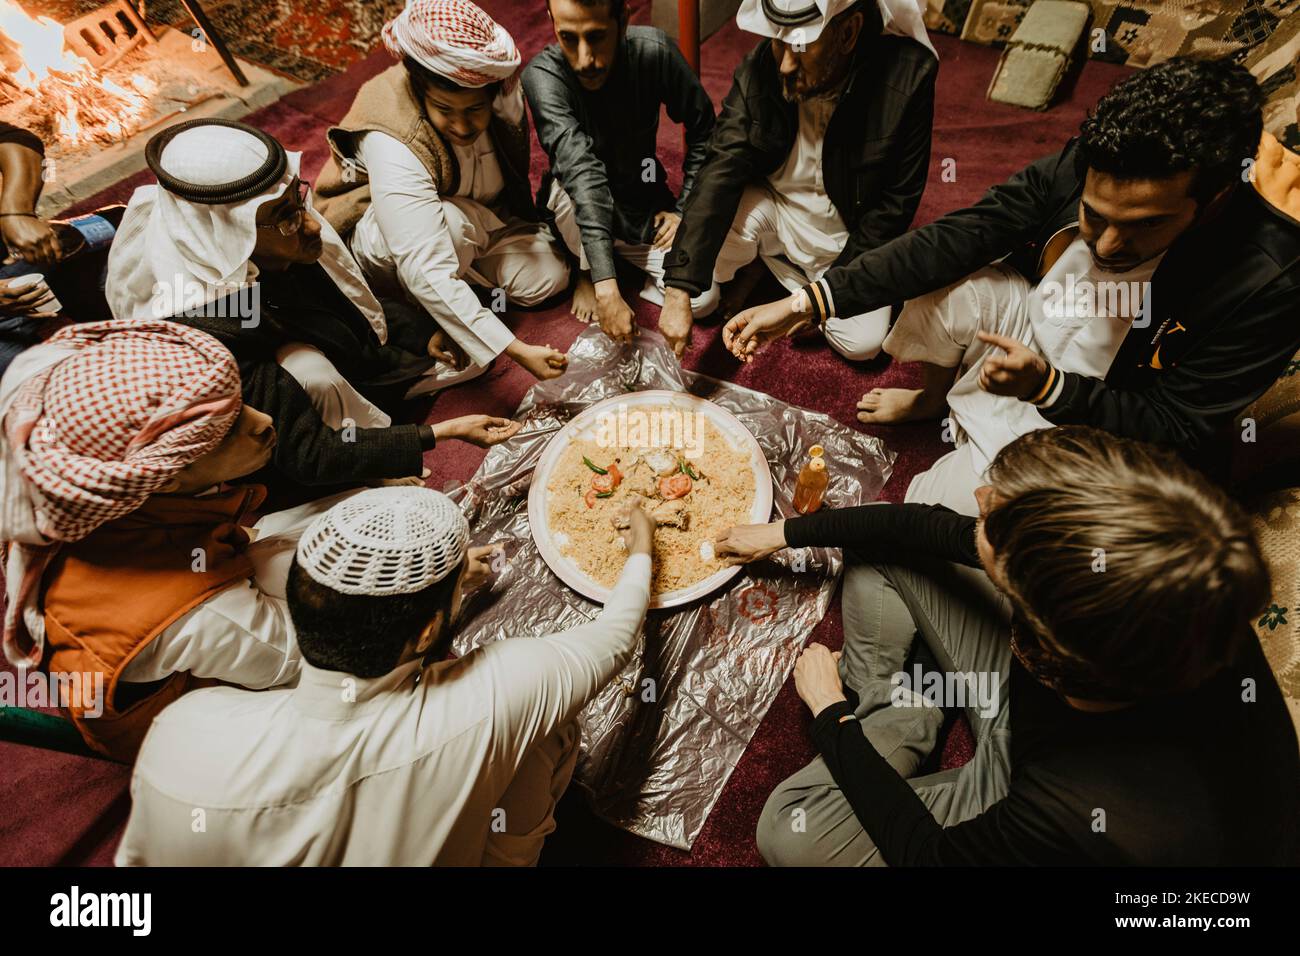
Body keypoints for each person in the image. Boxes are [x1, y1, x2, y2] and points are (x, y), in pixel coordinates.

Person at [725, 58, 1300, 514]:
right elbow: (963, 234)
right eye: (1095, 215)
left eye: (1146, 224)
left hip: (1108, 416)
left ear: (1216, 199)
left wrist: (1050, 388)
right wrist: (808, 303)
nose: (1105, 247)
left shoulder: (1271, 281)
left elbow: (1175, 427)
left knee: (932, 508)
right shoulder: (1096, 156)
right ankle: (933, 399)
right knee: (950, 288)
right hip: (1047, 325)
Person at [714, 426, 1299, 865]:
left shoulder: (1087, 813)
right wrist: (781, 534)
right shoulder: (1166, 584)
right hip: (1055, 700)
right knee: (881, 543)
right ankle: (910, 702)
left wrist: (830, 715)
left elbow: (927, 859)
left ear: (1043, 633)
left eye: (993, 524)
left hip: (1028, 783)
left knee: (788, 830)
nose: (979, 496)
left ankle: (894, 712)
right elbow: (916, 525)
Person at [116, 488, 656, 865]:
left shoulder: (180, 729)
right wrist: (641, 551)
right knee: (549, 731)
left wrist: (444, 589)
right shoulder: (500, 690)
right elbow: (615, 637)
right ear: (425, 635)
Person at [0, 319, 361, 760]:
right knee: (352, 692)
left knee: (348, 516)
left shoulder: (94, 502)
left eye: (241, 403)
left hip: (183, 614)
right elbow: (297, 658)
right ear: (165, 477)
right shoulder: (194, 612)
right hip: (176, 718)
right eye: (227, 430)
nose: (265, 421)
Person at [107, 118, 519, 490]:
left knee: (473, 355)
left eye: (296, 200)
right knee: (312, 371)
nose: (308, 222)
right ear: (230, 236)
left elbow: (345, 300)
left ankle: (369, 409)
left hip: (318, 359)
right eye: (286, 216)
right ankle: (359, 465)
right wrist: (436, 435)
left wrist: (420, 332)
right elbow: (303, 450)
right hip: (273, 440)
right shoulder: (210, 320)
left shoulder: (275, 233)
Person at [655, 0, 938, 359]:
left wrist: (813, 303)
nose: (785, 64)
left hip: (845, 236)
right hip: (772, 209)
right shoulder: (763, 63)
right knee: (696, 301)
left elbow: (893, 208)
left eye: (801, 47)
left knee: (862, 344)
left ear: (848, 32)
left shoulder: (910, 76)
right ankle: (767, 265)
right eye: (779, 42)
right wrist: (678, 288)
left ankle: (778, 278)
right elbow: (722, 163)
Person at [314, 0, 571, 384]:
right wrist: (513, 348)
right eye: (445, 109)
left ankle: (456, 294)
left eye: (474, 110)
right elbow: (423, 261)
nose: (462, 125)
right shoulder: (396, 139)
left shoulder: (503, 95)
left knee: (547, 278)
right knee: (447, 232)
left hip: (482, 220)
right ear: (421, 91)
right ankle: (419, 310)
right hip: (383, 244)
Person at [523, 0, 717, 342]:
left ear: (623, 21)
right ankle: (586, 271)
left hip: (640, 207)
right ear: (551, 22)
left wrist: (683, 209)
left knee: (703, 299)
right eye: (568, 38)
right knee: (570, 191)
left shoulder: (654, 52)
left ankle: (614, 266)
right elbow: (583, 173)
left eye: (597, 37)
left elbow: (706, 130)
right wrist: (606, 291)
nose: (585, 60)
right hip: (574, 211)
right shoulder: (542, 77)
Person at [0, 121, 117, 375]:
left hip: (16, 254)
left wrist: (15, 212)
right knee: (44, 384)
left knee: (124, 221)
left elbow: (15, 139)